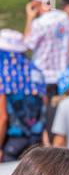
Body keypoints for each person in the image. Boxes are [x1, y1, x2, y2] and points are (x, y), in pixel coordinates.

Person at [22, 0, 69, 143]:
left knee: (43, 115)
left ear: (38, 2)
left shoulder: (40, 23)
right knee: (59, 113)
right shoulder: (64, 17)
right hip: (61, 74)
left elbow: (27, 44)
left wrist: (29, 18)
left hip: (42, 74)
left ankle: (47, 145)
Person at [0, 28, 47, 161]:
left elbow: (2, 118)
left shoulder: (3, 76)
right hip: (35, 140)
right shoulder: (36, 72)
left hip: (11, 140)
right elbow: (43, 106)